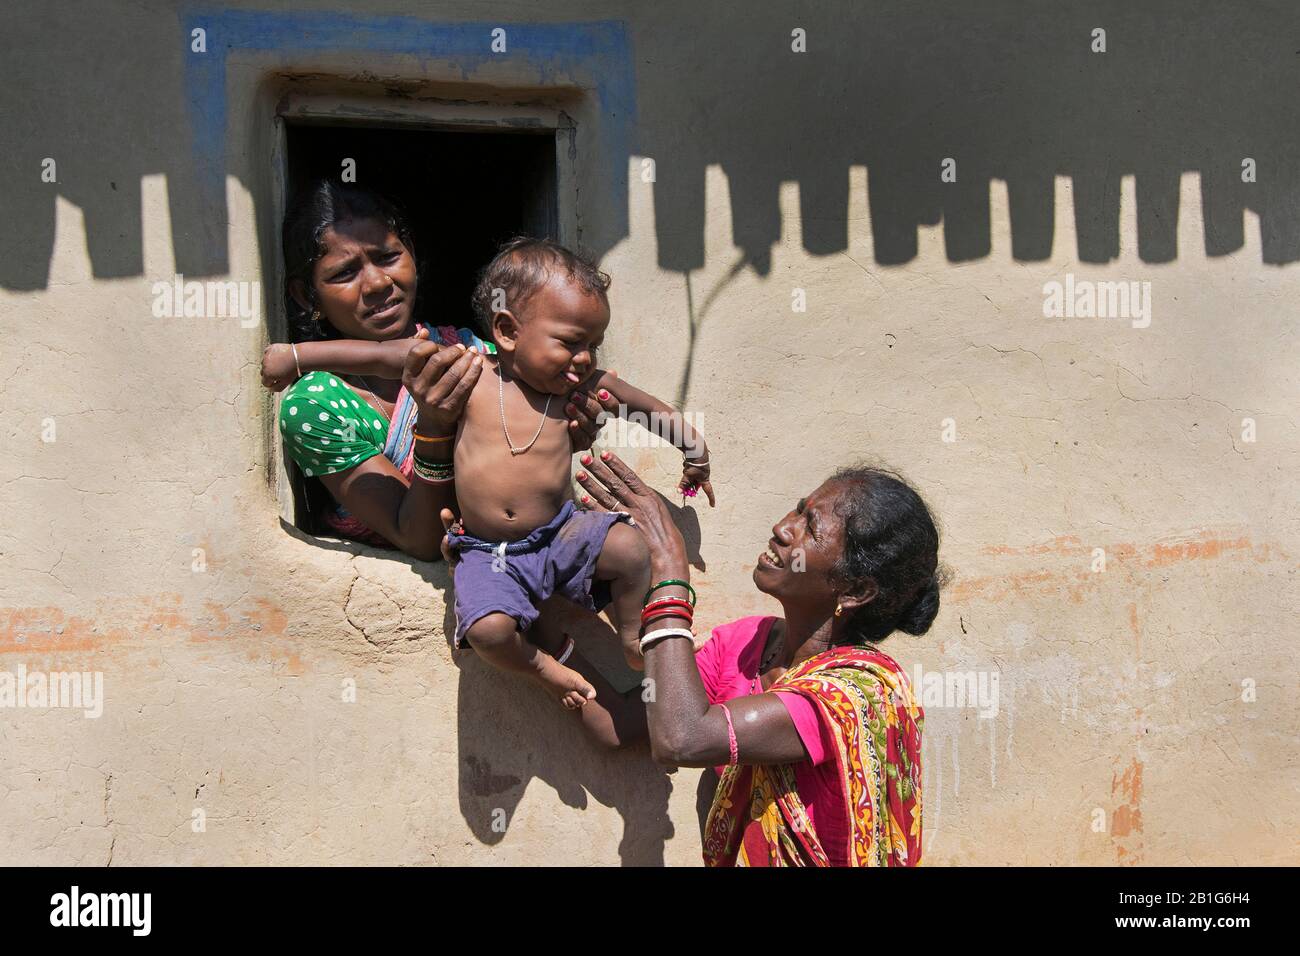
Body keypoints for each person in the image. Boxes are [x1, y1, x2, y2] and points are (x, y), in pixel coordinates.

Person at [270, 229, 715, 707]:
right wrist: (296, 356)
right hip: (486, 550)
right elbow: (383, 355)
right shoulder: (468, 370)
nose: (585, 358)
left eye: (594, 344)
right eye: (571, 342)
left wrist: (694, 450)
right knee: (488, 631)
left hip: (560, 533)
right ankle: (544, 669)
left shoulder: (576, 388)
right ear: (507, 331)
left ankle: (631, 638)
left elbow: (643, 407)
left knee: (629, 548)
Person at [565, 450, 939, 867]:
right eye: (798, 510)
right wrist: (538, 633)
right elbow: (621, 725)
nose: (783, 528)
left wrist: (669, 566)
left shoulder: (853, 695)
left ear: (854, 591)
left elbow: (682, 740)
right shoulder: (743, 645)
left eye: (810, 527)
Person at [259, 181, 609, 560]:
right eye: (345, 273)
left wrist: (560, 430)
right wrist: (433, 430)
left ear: (411, 253)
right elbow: (421, 540)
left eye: (388, 257)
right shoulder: (316, 406)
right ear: (305, 295)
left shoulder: (478, 357)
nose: (377, 283)